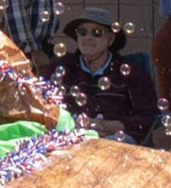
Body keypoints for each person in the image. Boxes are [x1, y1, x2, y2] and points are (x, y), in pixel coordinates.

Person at [51, 13, 163, 144]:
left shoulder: (133, 71)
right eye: (82, 32)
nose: (87, 37)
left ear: (110, 39)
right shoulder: (61, 67)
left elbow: (148, 117)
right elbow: (46, 107)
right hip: (70, 138)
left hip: (117, 141)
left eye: (96, 32)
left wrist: (107, 126)